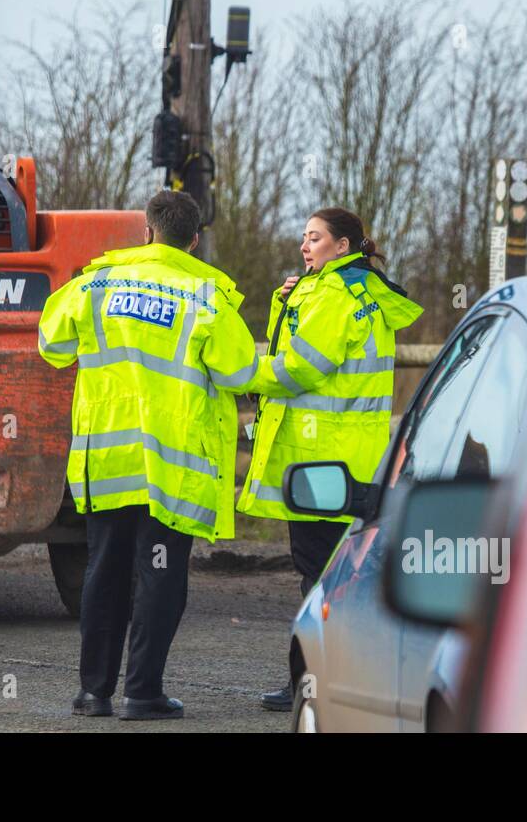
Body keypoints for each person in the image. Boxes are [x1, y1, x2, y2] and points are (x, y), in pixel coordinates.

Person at [37, 190, 260, 720]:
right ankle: (143, 693)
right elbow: (238, 374)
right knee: (160, 573)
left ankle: (94, 693)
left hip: (108, 458)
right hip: (171, 467)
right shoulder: (208, 296)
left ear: (147, 231)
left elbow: (51, 344)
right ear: (195, 239)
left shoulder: (96, 282)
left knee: (104, 570)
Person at [239, 207, 423, 712]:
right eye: (304, 237)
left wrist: (243, 374)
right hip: (356, 457)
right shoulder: (362, 293)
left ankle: (311, 683)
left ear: (342, 247)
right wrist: (289, 304)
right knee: (346, 574)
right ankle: (345, 678)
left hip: (319, 461)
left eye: (315, 238)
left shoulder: (333, 295)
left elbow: (302, 367)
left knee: (317, 574)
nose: (305, 246)